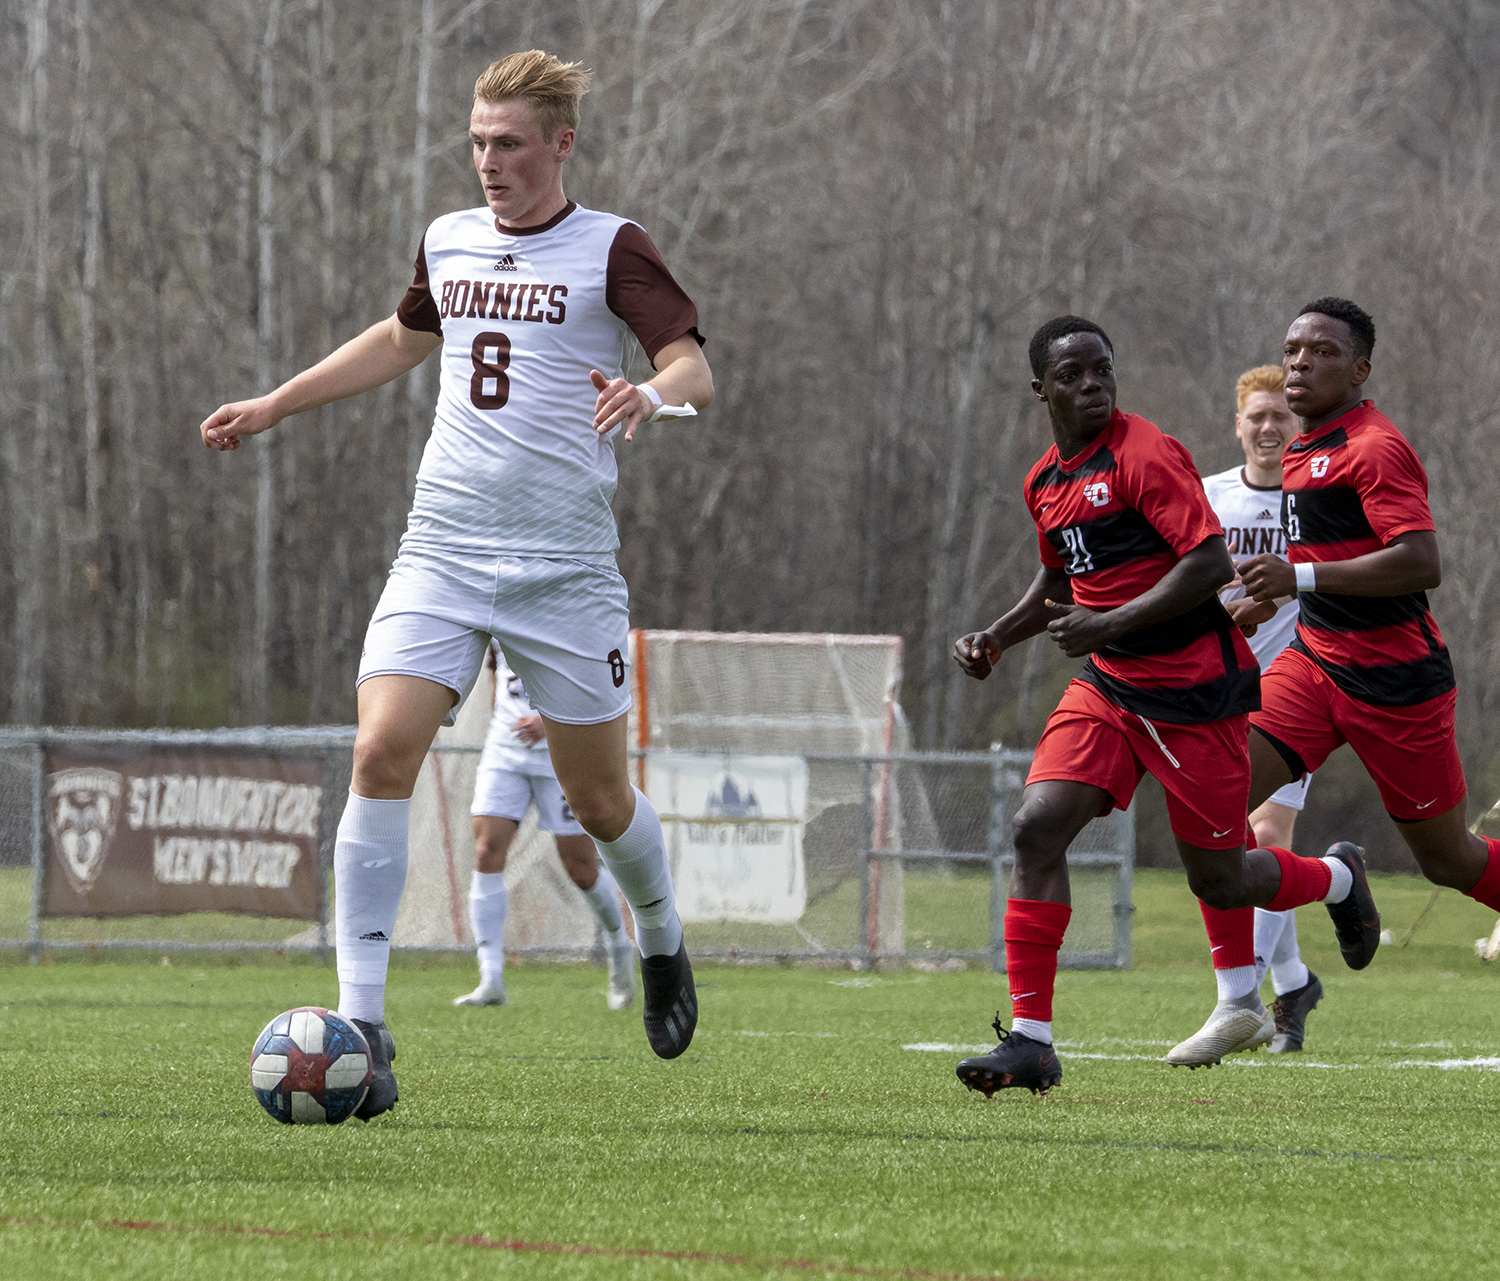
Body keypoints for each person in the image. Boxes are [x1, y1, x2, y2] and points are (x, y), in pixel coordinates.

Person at [199, 51, 713, 1118]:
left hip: (564, 563)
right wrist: (274, 404)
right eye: (478, 142)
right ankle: (366, 1028)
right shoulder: (448, 238)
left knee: (599, 800)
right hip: (443, 542)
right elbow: (401, 340)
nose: (489, 162)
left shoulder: (609, 245)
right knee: (381, 749)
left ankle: (659, 939)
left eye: (510, 143)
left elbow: (691, 364)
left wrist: (649, 397)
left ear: (560, 145)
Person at [950, 315, 1374, 1099]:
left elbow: (1208, 562)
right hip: (1111, 688)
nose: (1092, 385)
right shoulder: (1045, 480)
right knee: (1035, 827)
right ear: (1041, 389)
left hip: (1192, 693)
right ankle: (1033, 1041)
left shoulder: (1145, 452)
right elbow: (1056, 584)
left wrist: (1106, 621)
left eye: (1102, 370)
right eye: (1072, 375)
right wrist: (999, 637)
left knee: (1219, 879)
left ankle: (1338, 879)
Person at [1230, 297, 1500, 974]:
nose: (1299, 361)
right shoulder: (1302, 448)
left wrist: (1299, 578)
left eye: (1321, 352)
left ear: (1359, 369)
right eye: (1293, 348)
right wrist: (1266, 601)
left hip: (1396, 681)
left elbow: (1420, 562)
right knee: (1214, 798)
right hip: (1314, 665)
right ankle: (1330, 888)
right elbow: (1320, 561)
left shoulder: (1374, 447)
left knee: (1449, 860)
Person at [1196, 366, 1324, 1054]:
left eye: (1281, 415)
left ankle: (1238, 996)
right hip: (1218, 689)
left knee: (1269, 831)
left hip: (1296, 689)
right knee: (1235, 836)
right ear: (1238, 423)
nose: (1270, 427)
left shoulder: (1314, 495)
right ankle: (1295, 980)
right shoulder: (1210, 496)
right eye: (1257, 417)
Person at [454, 642, 636, 1011]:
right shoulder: (497, 613)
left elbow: (595, 685)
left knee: (581, 869)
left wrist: (548, 722)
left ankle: (619, 944)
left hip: (561, 757)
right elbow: (497, 681)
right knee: (487, 849)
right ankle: (491, 978)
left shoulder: (565, 617)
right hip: (505, 754)